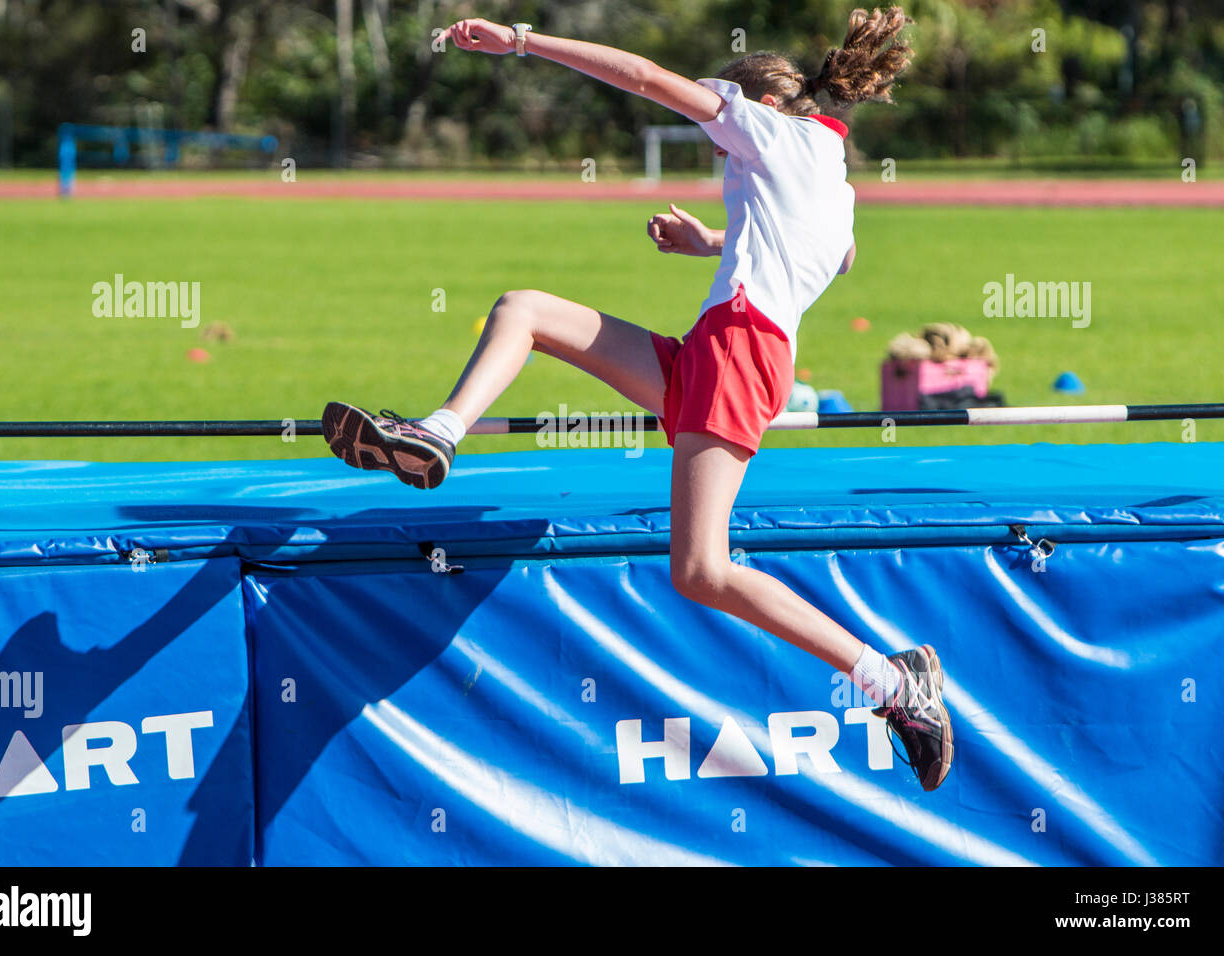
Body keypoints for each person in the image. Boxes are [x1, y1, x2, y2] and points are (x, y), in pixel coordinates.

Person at [323, 8, 952, 790]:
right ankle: (440, 433)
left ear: (750, 108)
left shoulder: (763, 129)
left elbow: (645, 78)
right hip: (718, 350)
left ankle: (894, 685)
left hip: (736, 349)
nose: (715, 145)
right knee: (524, 308)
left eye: (718, 132)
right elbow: (835, 253)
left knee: (700, 570)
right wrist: (717, 243)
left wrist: (521, 41)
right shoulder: (831, 175)